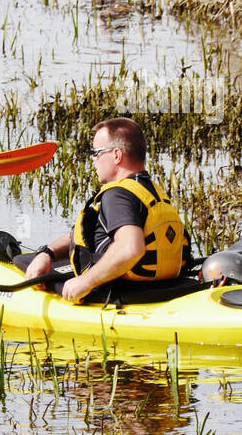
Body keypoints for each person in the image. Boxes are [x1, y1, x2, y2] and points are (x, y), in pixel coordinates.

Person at [23, 118, 188, 302]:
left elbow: (130, 248)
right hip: (164, 289)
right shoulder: (151, 191)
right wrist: (48, 252)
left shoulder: (117, 195)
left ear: (117, 155)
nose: (93, 160)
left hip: (125, 295)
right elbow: (86, 234)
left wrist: (86, 281)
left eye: (97, 153)